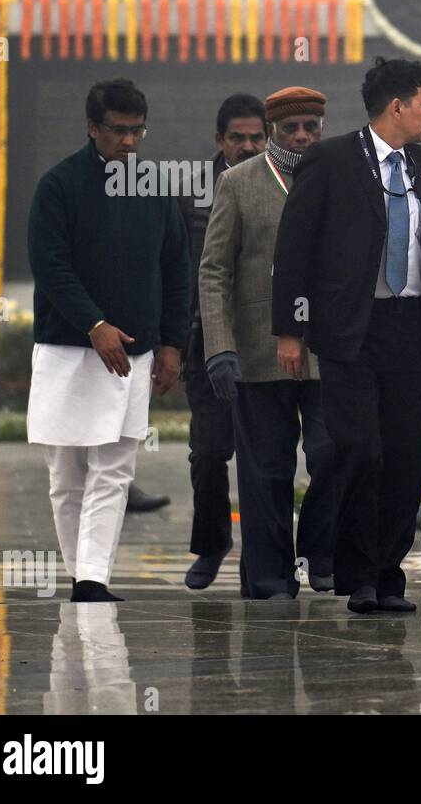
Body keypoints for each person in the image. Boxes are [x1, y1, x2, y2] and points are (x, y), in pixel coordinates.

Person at [271, 58, 421, 614]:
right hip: (350, 331)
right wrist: (290, 329)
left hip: (412, 330)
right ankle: (356, 572)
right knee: (360, 449)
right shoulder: (331, 160)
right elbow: (295, 248)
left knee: (408, 457)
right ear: (397, 107)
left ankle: (389, 571)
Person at [26, 78, 189, 602]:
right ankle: (82, 575)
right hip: (67, 350)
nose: (129, 141)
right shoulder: (60, 185)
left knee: (115, 468)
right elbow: (50, 266)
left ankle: (94, 578)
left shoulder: (157, 187)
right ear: (92, 127)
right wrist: (93, 325)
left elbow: (176, 269)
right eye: (118, 131)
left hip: (134, 354)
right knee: (67, 473)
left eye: (137, 130)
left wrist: (170, 345)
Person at [198, 86, 339, 599]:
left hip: (328, 351)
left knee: (335, 454)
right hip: (257, 351)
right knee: (265, 471)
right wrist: (219, 346)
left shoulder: (340, 177)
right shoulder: (238, 183)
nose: (301, 136)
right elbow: (214, 270)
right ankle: (269, 577)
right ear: (273, 129)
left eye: (311, 127)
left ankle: (320, 554)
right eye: (290, 128)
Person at [181, 92, 266, 589]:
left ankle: (265, 555)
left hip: (266, 344)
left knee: (267, 456)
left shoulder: (285, 183)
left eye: (257, 137)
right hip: (205, 341)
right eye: (238, 138)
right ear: (220, 140)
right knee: (209, 452)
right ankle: (212, 545)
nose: (248, 146)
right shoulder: (192, 192)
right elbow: (178, 269)